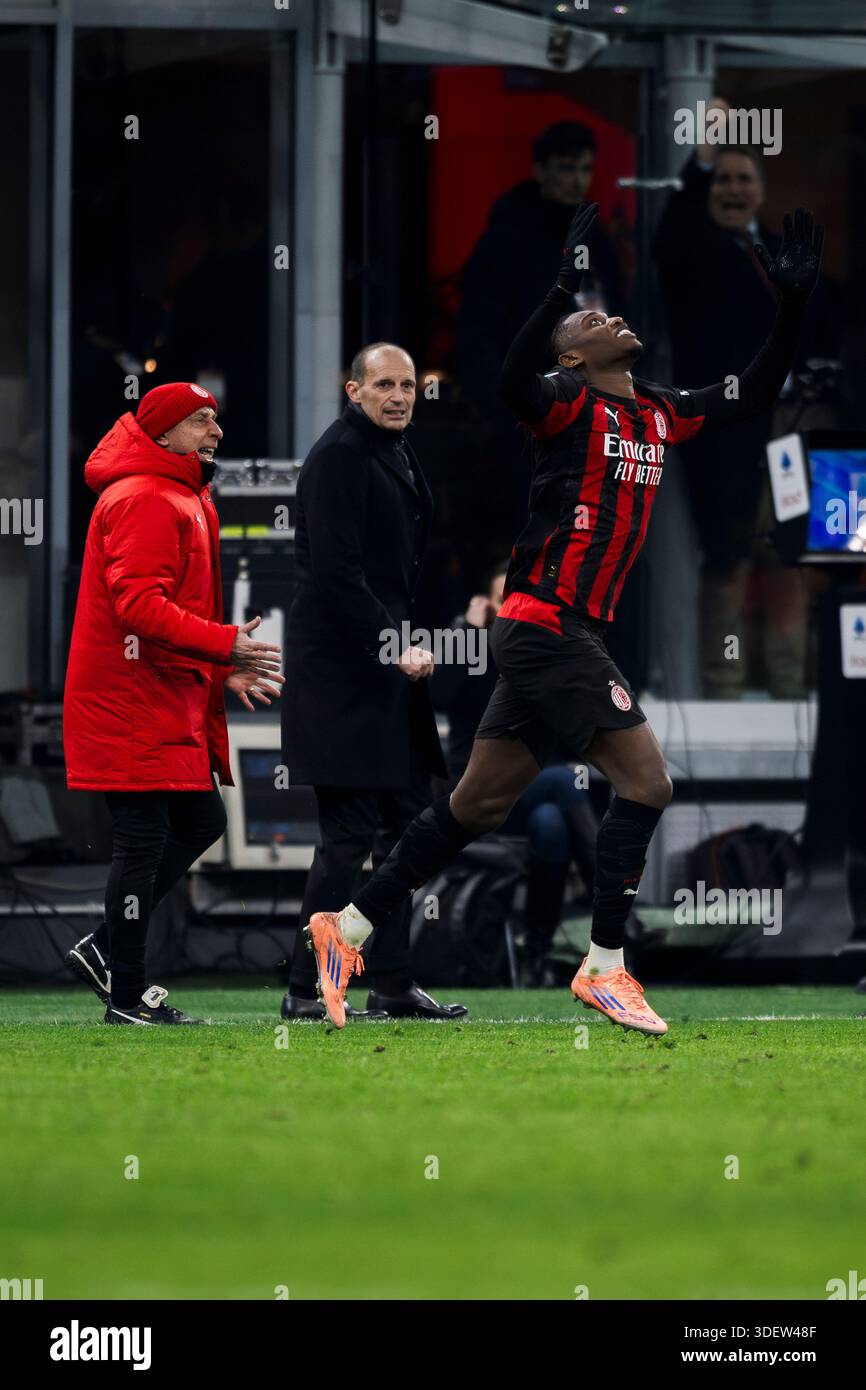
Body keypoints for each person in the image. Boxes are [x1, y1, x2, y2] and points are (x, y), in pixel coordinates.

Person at [303, 201, 824, 1033]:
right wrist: (557, 291)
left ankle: (347, 926)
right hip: (549, 623)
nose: (613, 314)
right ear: (575, 355)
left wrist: (792, 302)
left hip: (557, 632)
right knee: (649, 782)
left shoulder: (656, 407)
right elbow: (509, 378)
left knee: (474, 807)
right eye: (595, 317)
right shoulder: (563, 402)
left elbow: (756, 390)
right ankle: (606, 966)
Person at [63, 383, 283, 1025]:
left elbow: (161, 611)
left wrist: (218, 673)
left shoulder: (172, 493)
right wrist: (224, 647)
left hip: (155, 696)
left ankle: (106, 953)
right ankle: (126, 996)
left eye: (216, 418)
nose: (216, 431)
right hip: (130, 701)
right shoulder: (145, 497)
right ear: (162, 434)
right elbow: (139, 607)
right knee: (142, 839)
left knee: (197, 822)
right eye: (200, 421)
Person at [280, 343, 467, 1022]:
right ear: (352, 389)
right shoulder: (339, 457)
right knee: (348, 836)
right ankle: (303, 989)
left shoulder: (396, 449)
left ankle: (390, 982)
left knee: (405, 830)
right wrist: (393, 643)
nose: (398, 394)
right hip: (342, 676)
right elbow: (335, 575)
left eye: (408, 384)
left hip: (386, 672)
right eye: (383, 383)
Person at [654, 117, 809, 697]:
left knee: (790, 561)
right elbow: (670, 237)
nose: (734, 189)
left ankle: (793, 691)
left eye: (744, 179)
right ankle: (723, 690)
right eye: (722, 180)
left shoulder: (777, 249)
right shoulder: (693, 252)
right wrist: (697, 166)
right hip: (727, 438)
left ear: (762, 189)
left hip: (788, 434)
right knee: (728, 562)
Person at [455, 121, 627, 548]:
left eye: (586, 169)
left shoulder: (596, 240)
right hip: (529, 423)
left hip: (592, 420)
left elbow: (620, 316)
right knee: (529, 542)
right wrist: (508, 412)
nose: (578, 180)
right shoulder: (506, 240)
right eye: (567, 168)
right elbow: (475, 337)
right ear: (542, 169)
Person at [433, 563, 599, 984]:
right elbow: (438, 693)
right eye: (504, 601)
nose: (513, 610)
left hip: (527, 798)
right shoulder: (474, 649)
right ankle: (613, 910)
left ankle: (537, 954)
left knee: (551, 825)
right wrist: (467, 631)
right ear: (490, 608)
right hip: (474, 791)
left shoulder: (542, 655)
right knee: (563, 781)